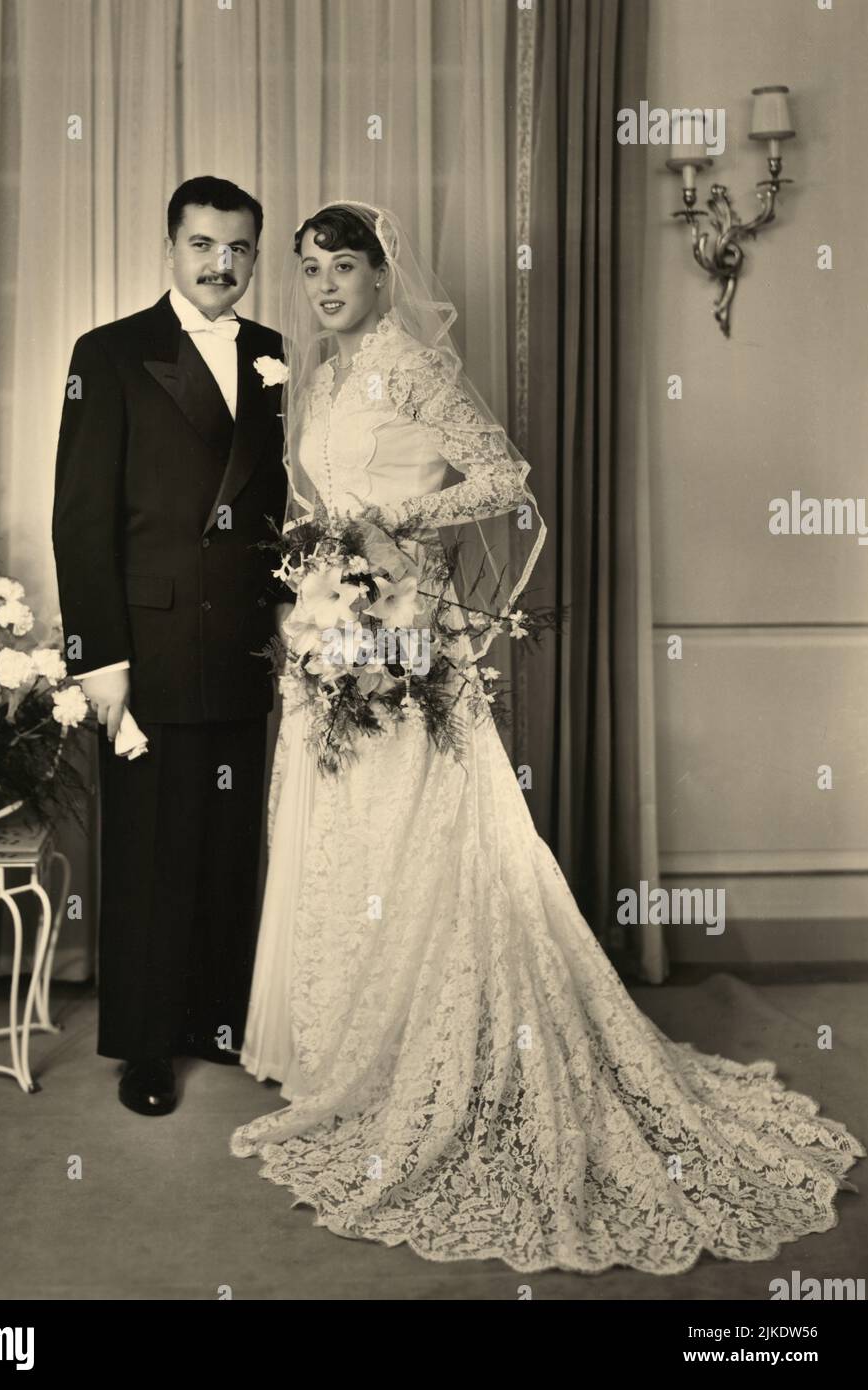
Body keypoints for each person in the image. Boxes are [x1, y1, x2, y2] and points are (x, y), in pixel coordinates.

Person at [230, 201, 864, 1274]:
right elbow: (320, 500)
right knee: (338, 829)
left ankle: (429, 1054)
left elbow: (502, 480)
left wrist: (394, 530)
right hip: (335, 635)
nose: (326, 287)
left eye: (344, 268)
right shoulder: (325, 376)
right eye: (310, 271)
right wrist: (321, 560)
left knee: (416, 841)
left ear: (385, 278)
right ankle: (344, 1045)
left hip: (407, 634)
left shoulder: (410, 366)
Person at [52, 176, 288, 1116]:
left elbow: (278, 506)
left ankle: (215, 1021)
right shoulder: (108, 353)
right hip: (145, 646)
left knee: (226, 846)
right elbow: (79, 519)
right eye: (201, 246)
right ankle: (146, 1047)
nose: (219, 265)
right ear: (170, 247)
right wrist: (99, 655)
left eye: (237, 249)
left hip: (243, 640)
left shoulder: (272, 353)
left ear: (254, 256)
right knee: (151, 849)